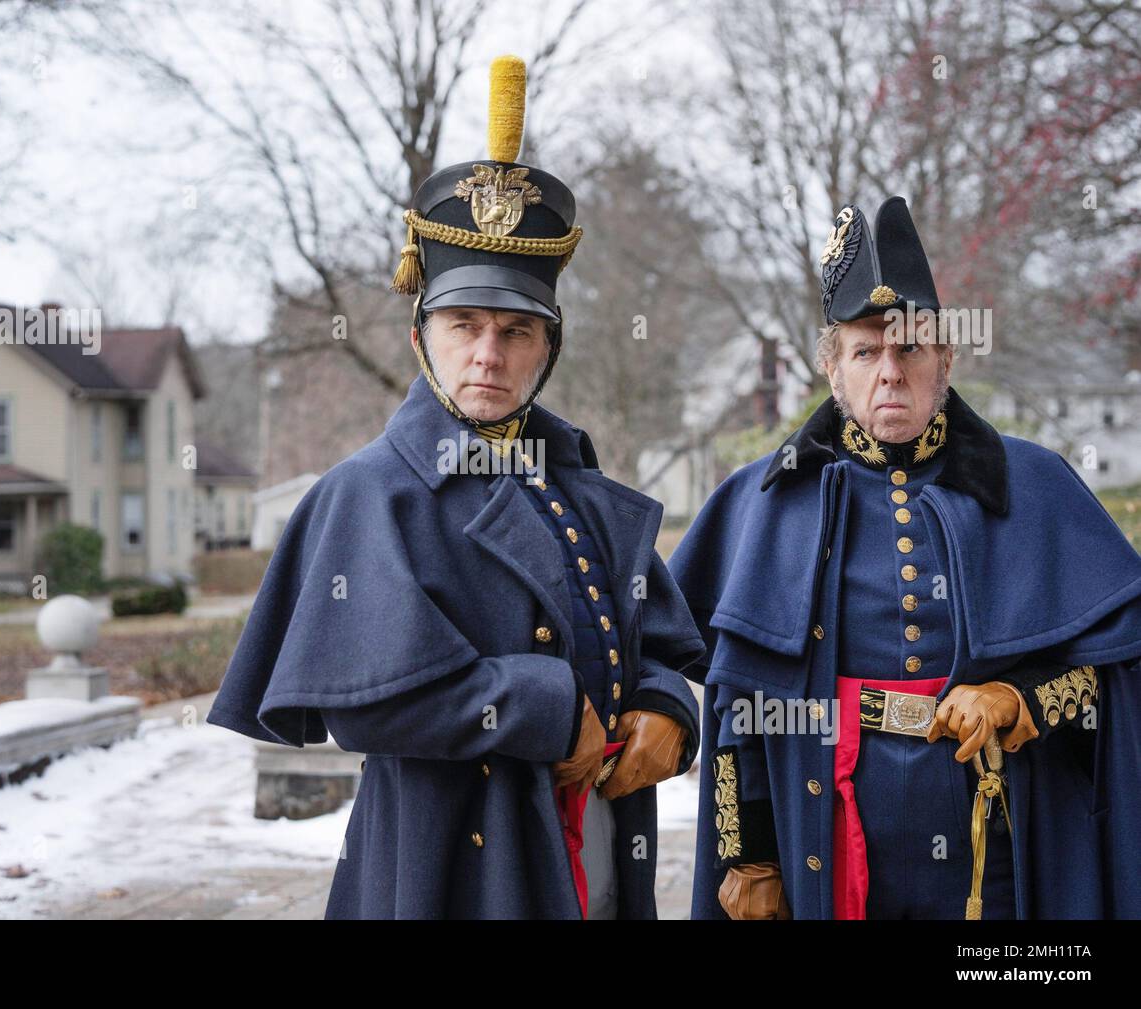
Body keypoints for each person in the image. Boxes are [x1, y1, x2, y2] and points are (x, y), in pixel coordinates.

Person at [206, 55, 703, 919]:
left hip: (599, 856)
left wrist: (667, 710)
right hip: (448, 870)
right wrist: (549, 707)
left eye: (517, 331)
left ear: (549, 349)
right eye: (464, 325)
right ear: (419, 335)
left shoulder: (576, 485)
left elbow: (652, 640)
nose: (489, 354)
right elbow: (369, 704)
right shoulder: (369, 492)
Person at [670, 195, 1141, 919]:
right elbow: (741, 703)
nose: (890, 370)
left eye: (910, 346)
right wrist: (752, 852)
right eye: (866, 349)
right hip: (826, 832)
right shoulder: (767, 501)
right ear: (833, 366)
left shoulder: (1037, 483)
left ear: (944, 358)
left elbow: (1118, 667)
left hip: (997, 840)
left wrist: (1021, 697)